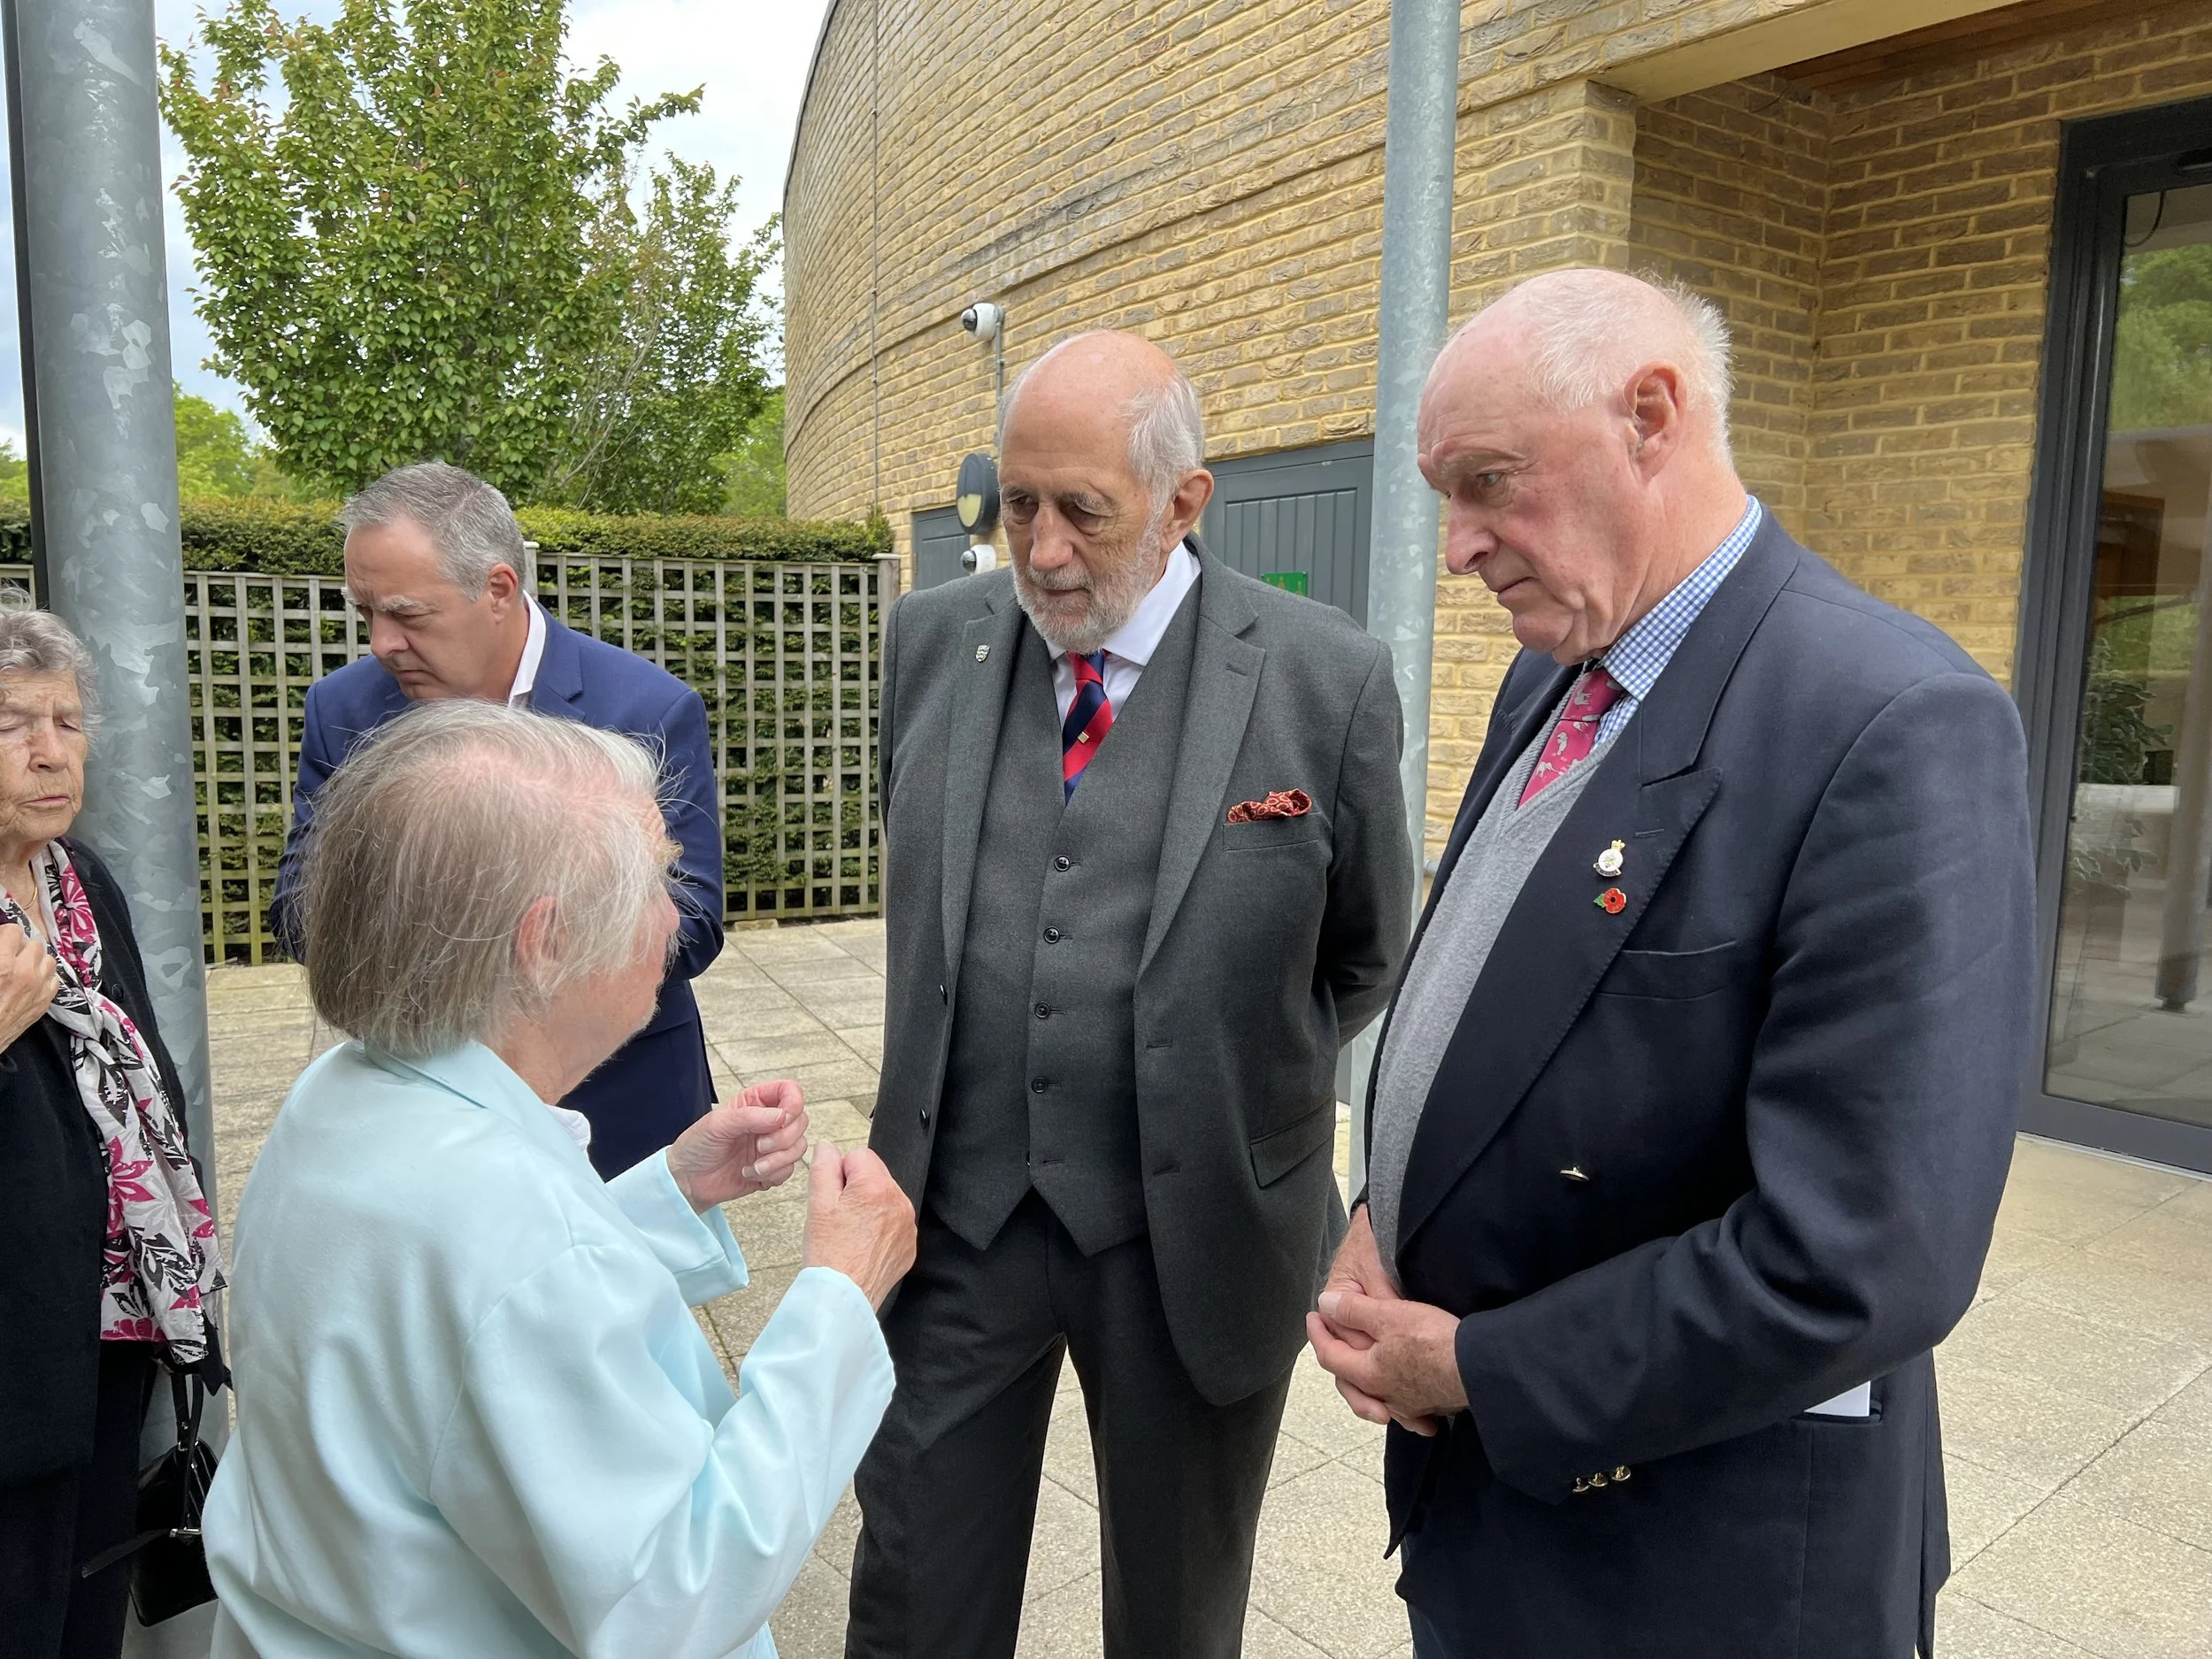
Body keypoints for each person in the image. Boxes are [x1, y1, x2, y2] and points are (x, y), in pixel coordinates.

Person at [1305, 269, 2037, 1658]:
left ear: (1652, 415)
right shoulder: (1558, 669)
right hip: (1503, 1531)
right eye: (1441, 495)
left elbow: (1864, 1256)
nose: (1457, 545)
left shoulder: (1892, 723)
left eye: (1489, 483)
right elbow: (1495, 1003)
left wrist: (1477, 1367)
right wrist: (1381, 1205)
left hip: (1699, 1568)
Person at [848, 330, 1414, 1659]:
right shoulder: (931, 642)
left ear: (1184, 501)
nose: (1041, 549)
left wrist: (1202, 1066)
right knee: (916, 1581)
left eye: (1083, 513)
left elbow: (1367, 949)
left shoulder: (1325, 678)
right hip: (957, 1215)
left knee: (1175, 1606)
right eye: (1019, 504)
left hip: (1197, 1227)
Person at [205, 700, 916, 1658]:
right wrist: (837, 1294)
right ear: (543, 943)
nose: (677, 917)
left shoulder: (340, 1096)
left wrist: (671, 1190)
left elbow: (460, 1331)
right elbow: (674, 1598)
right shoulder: (511, 1230)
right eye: (658, 880)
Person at [270, 461, 723, 1177]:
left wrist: (457, 933)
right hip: (421, 1111)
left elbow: (692, 920)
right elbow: (303, 907)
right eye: (367, 613)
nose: (381, 643)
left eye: (407, 615)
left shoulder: (645, 709)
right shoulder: (343, 709)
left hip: (618, 1100)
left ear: (498, 589)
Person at [0, 592, 226, 1657]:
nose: (51, 754)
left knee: (88, 1611)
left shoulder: (80, 882)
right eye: (13, 725)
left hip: (111, 1326)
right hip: (9, 1356)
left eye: (67, 722)